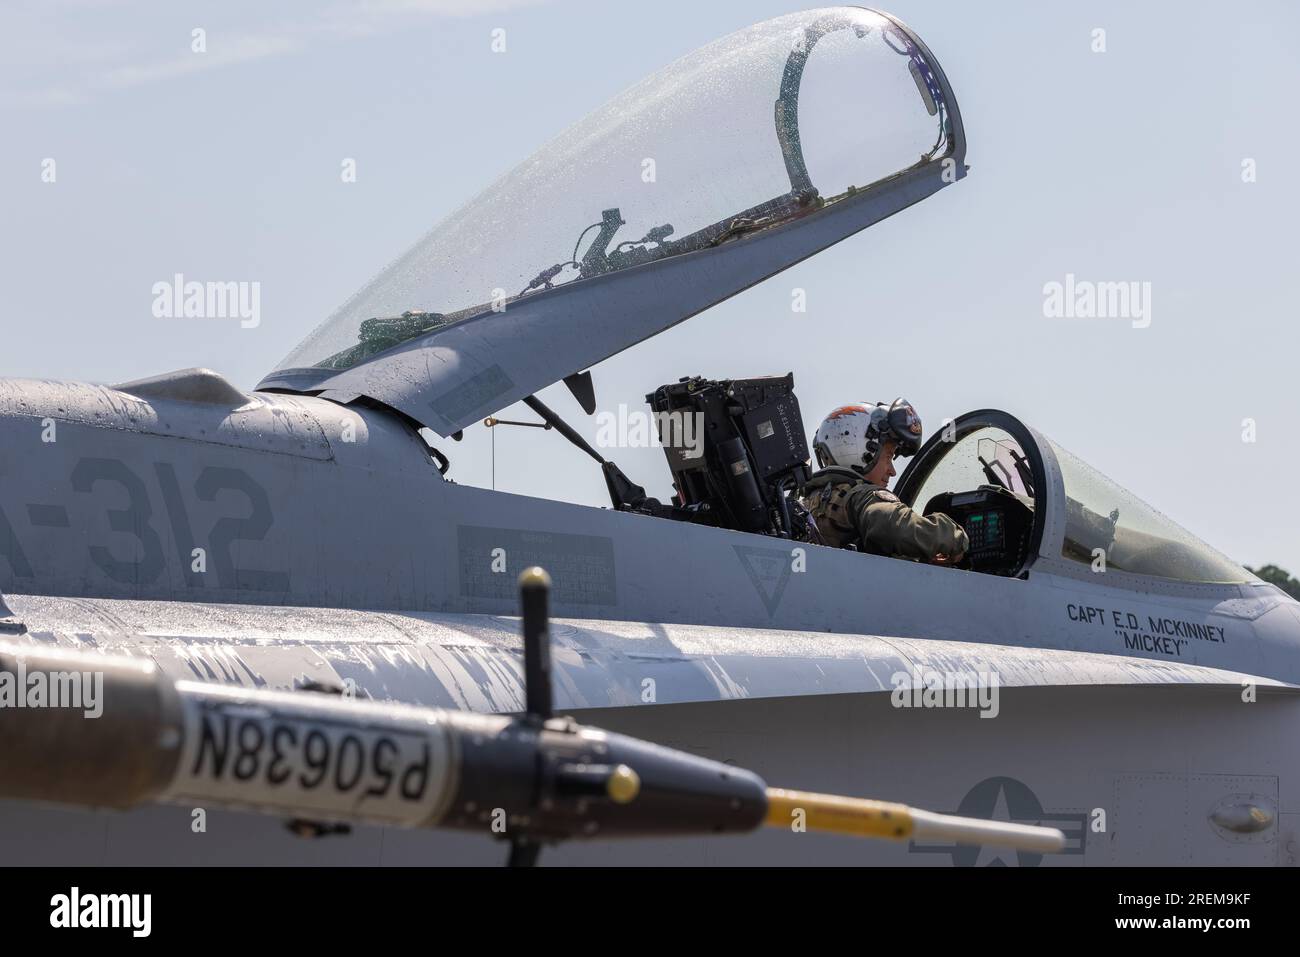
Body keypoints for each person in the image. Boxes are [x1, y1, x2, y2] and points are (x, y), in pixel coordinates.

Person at [800, 399, 968, 564]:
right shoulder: (862, 497)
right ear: (862, 452)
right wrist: (954, 537)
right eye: (888, 457)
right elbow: (898, 527)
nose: (892, 471)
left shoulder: (805, 504)